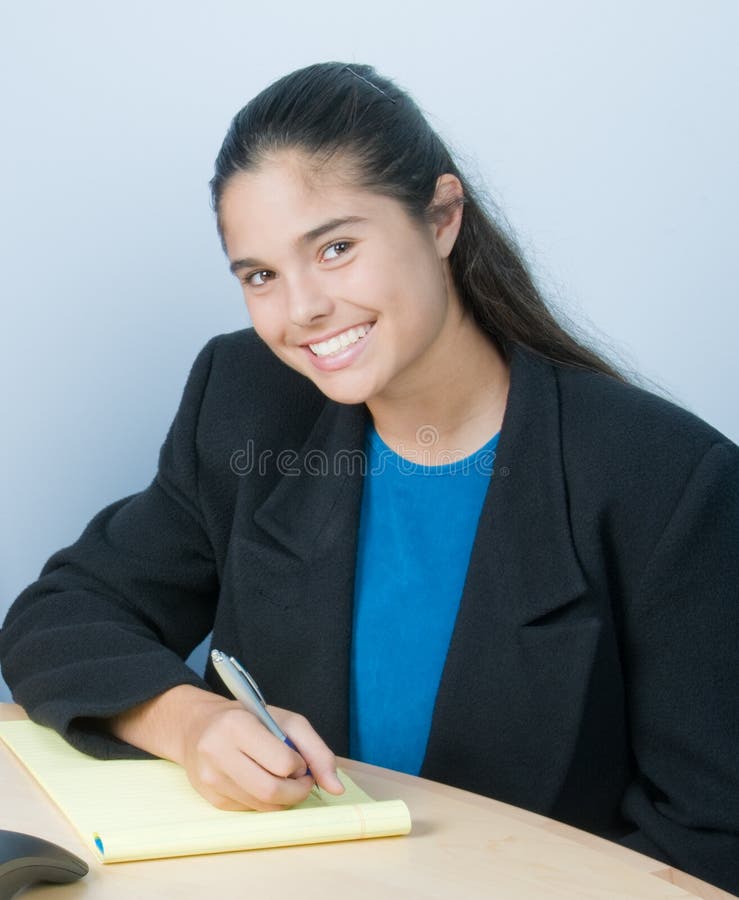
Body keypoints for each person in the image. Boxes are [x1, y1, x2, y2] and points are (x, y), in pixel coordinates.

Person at [1, 62, 737, 893]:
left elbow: (711, 840)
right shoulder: (248, 402)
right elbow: (59, 617)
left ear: (442, 219)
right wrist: (188, 719)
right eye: (260, 275)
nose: (302, 308)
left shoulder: (664, 479)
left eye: (336, 248)